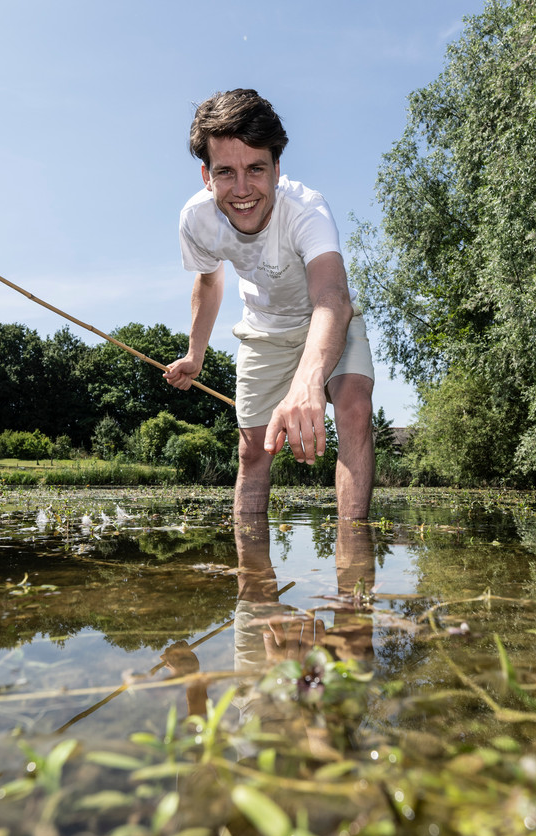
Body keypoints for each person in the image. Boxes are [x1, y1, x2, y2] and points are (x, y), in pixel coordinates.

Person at [163, 89, 375, 521]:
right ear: (206, 176)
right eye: (226, 172)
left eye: (256, 169)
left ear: (277, 169)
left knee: (354, 409)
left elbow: (332, 297)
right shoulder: (195, 219)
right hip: (264, 330)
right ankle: (252, 564)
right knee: (253, 450)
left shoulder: (307, 210)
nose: (242, 190)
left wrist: (307, 382)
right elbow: (209, 279)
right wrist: (195, 354)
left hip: (327, 320)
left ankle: (354, 558)